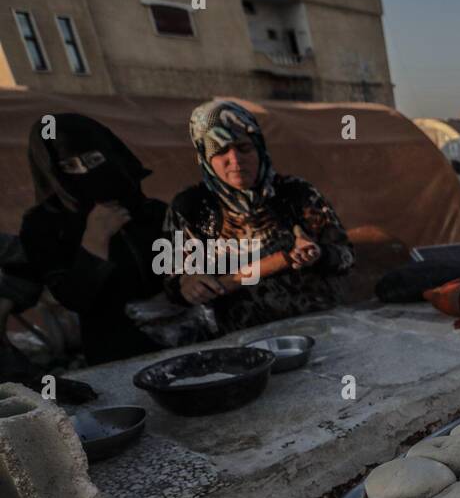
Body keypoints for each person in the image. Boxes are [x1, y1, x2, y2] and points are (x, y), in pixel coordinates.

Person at [162, 99, 354, 340]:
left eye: (244, 148)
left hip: (322, 330)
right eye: (221, 151)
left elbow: (347, 256)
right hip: (243, 342)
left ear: (260, 148)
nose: (235, 160)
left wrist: (320, 254)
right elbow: (169, 281)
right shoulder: (190, 208)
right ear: (204, 157)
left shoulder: (296, 193)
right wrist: (186, 283)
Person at [7, 114, 168, 364]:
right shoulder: (44, 226)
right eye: (69, 167)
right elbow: (75, 298)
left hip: (186, 336)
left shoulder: (152, 211)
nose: (86, 174)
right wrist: (95, 241)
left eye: (94, 160)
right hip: (117, 358)